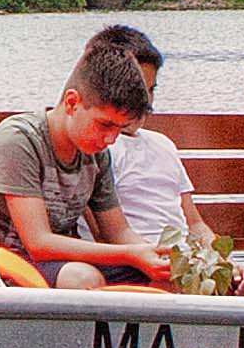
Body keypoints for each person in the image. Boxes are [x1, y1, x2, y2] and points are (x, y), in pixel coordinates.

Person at [0, 36, 173, 288]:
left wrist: (156, 257)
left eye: (119, 129)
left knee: (163, 275)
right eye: (105, 125)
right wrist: (129, 254)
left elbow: (118, 231)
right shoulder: (19, 140)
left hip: (49, 264)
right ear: (72, 102)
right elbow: (39, 243)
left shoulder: (96, 153)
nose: (111, 139)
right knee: (82, 277)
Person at [90, 22, 218, 253]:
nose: (146, 101)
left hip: (182, 256)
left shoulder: (163, 144)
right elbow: (103, 234)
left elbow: (195, 224)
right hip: (134, 257)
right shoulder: (99, 147)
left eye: (151, 90)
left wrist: (218, 257)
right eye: (136, 90)